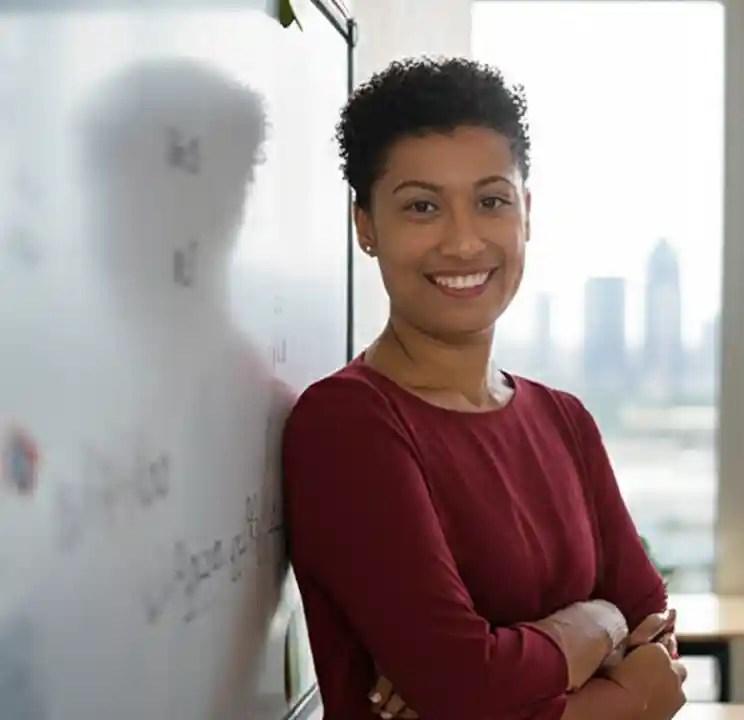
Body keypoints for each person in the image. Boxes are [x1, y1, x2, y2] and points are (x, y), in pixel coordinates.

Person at [282, 57, 688, 720]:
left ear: (525, 213)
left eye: (491, 201)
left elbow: (654, 633)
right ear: (365, 225)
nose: (464, 241)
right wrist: (608, 651)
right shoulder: (346, 425)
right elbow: (467, 688)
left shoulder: (566, 421)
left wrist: (604, 624)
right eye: (422, 207)